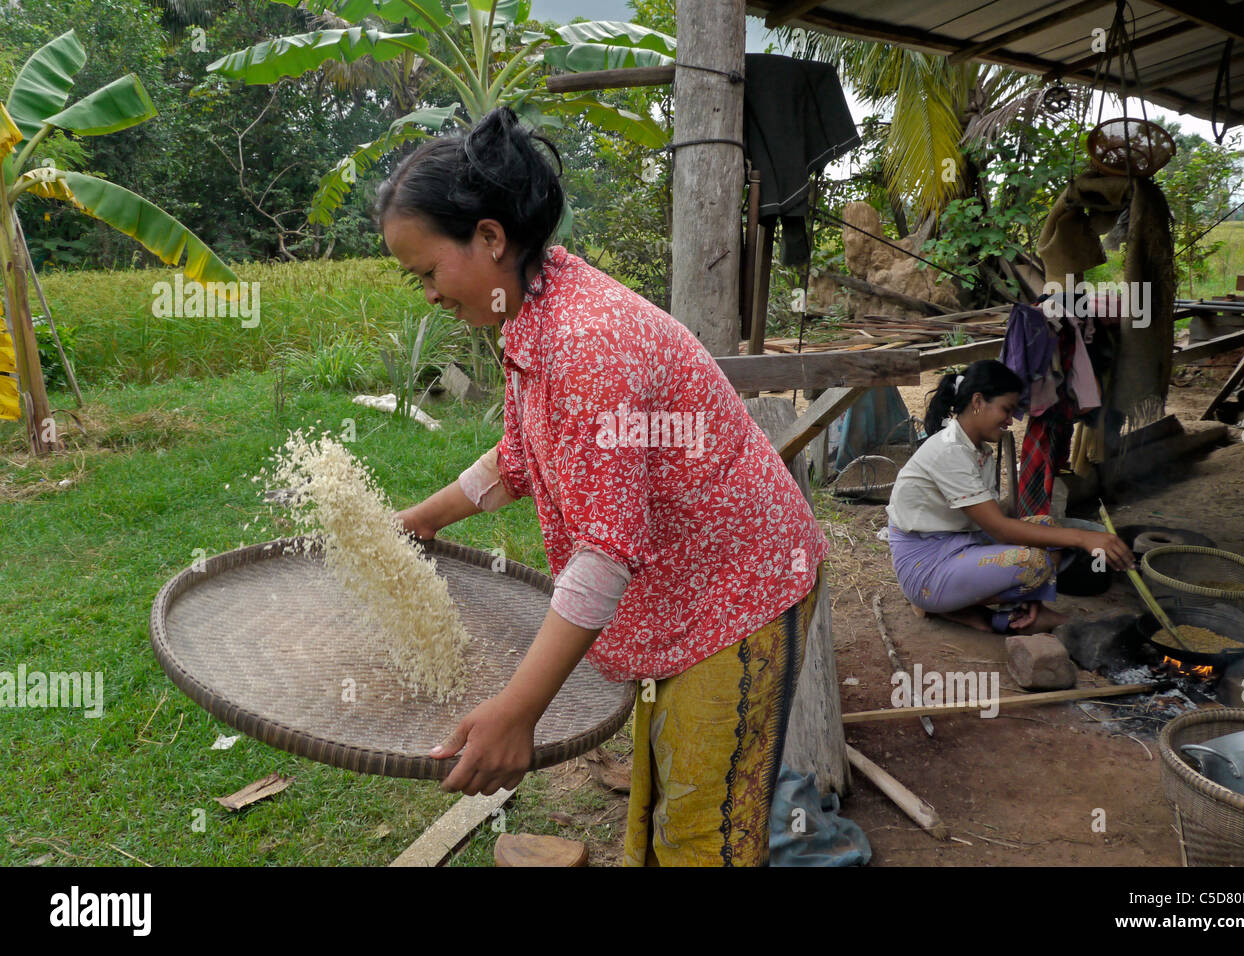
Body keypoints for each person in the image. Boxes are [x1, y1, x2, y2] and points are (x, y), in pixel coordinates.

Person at [378, 107, 827, 866]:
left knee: (704, 831)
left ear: (491, 238)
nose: (426, 293)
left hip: (739, 589)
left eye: (427, 271)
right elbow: (521, 456)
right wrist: (422, 518)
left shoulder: (590, 344)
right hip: (678, 589)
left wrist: (520, 711)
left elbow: (605, 554)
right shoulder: (532, 306)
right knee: (662, 796)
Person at [886, 359, 1134, 634]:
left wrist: (1029, 591)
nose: (1009, 420)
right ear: (978, 401)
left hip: (958, 541)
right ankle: (945, 605)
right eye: (1006, 410)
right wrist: (1083, 537)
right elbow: (1000, 528)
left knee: (1046, 528)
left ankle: (991, 608)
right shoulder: (949, 451)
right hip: (925, 562)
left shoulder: (977, 451)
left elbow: (995, 522)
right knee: (1035, 563)